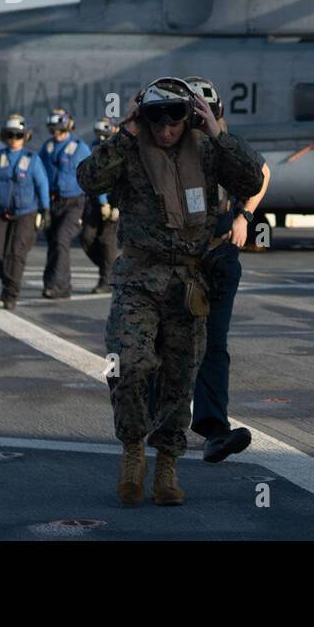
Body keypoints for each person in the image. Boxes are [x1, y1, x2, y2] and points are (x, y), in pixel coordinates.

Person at [77, 77, 264, 508]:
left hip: (188, 284)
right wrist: (126, 131)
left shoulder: (207, 149)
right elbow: (88, 178)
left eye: (174, 122)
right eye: (156, 122)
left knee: (180, 379)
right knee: (128, 364)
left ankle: (166, 465)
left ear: (188, 118)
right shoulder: (130, 148)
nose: (165, 131)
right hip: (138, 280)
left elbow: (252, 179)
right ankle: (132, 449)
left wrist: (217, 132)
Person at [182, 76, 272, 464]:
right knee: (165, 343)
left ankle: (214, 429)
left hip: (218, 257)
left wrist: (244, 216)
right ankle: (157, 425)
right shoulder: (163, 150)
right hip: (173, 263)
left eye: (206, 113)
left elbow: (262, 174)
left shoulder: (227, 147)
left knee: (213, 345)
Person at [0, 114, 50, 310]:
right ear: (5, 136)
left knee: (16, 253)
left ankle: (10, 293)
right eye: (10, 135)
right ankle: (9, 280)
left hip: (25, 213)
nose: (14, 139)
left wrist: (45, 209)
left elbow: (42, 184)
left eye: (18, 135)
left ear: (25, 137)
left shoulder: (32, 159)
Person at [39, 108, 91, 299]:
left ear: (68, 127)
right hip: (53, 202)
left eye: (60, 130)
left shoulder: (80, 148)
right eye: (53, 130)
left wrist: (102, 203)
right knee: (54, 242)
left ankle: (59, 285)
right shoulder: (47, 147)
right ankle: (54, 282)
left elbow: (92, 175)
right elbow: (40, 175)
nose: (56, 134)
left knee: (61, 238)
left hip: (74, 203)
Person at [80, 118, 120, 294]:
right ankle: (108, 267)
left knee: (106, 240)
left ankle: (107, 280)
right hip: (96, 199)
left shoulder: (121, 148)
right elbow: (92, 176)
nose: (102, 138)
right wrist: (101, 202)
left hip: (114, 201)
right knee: (87, 237)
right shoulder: (93, 148)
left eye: (105, 134)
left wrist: (117, 206)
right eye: (99, 134)